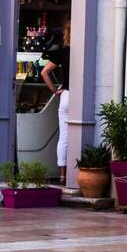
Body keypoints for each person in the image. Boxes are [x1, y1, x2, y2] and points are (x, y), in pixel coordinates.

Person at [40, 21, 71, 185]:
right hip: (81, 97)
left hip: (66, 95)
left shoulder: (62, 52)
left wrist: (54, 90)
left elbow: (44, 72)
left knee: (64, 137)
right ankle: (76, 174)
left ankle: (62, 176)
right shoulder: (84, 51)